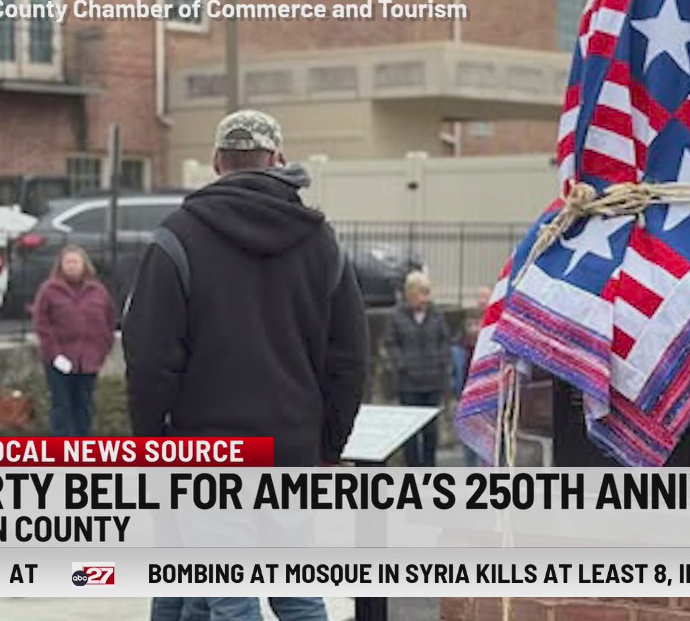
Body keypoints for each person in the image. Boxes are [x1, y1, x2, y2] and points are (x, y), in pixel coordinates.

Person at [125, 109, 366, 621]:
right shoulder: (321, 242)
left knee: (227, 594)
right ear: (277, 158)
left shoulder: (177, 238)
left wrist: (150, 443)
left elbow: (148, 360)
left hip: (205, 448)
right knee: (292, 592)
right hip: (292, 446)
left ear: (216, 162)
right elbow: (349, 359)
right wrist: (328, 446)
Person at [31, 246, 116, 437]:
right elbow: (41, 324)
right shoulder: (49, 290)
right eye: (68, 262)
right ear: (60, 265)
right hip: (58, 361)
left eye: (75, 262)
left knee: (84, 406)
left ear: (84, 264)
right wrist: (55, 355)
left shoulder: (98, 291)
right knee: (61, 405)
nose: (72, 266)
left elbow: (109, 321)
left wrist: (102, 350)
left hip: (89, 361)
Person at [384, 271, 451, 467]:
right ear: (410, 294)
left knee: (431, 431)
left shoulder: (436, 315)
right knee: (410, 432)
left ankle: (429, 469)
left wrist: (440, 361)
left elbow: (445, 340)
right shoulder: (396, 316)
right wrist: (402, 363)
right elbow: (390, 343)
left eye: (427, 293)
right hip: (408, 383)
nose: (425, 299)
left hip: (433, 381)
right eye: (422, 293)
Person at [451, 285, 491, 466]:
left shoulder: (495, 323)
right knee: (470, 431)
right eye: (479, 297)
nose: (482, 301)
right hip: (468, 386)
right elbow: (456, 347)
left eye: (485, 297)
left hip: (487, 388)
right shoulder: (467, 323)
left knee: (488, 435)